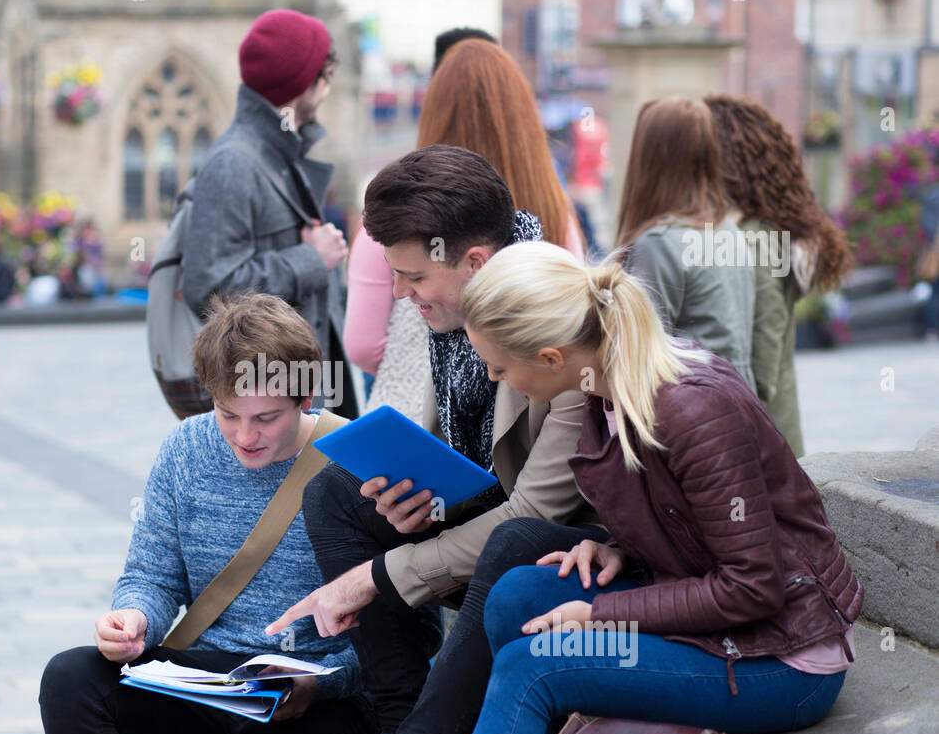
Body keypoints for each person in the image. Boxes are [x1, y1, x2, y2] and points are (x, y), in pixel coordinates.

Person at [435, 240, 862, 734]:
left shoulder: (691, 410)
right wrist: (621, 550)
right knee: (515, 594)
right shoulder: (607, 380)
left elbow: (753, 586)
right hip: (717, 617)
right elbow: (685, 522)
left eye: (501, 367)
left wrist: (597, 616)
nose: (494, 378)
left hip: (782, 659)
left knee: (532, 668)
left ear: (552, 356)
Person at [267, 146, 603, 734]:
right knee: (337, 491)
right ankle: (401, 725)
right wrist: (418, 502)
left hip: (568, 545)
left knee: (509, 544)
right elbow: (468, 461)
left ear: (474, 262)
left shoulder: (557, 319)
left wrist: (379, 574)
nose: (398, 293)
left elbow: (536, 508)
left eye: (412, 275)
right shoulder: (452, 311)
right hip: (497, 511)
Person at [40, 294, 378, 734]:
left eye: (266, 417)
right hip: (217, 685)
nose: (245, 436)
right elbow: (152, 574)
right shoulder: (186, 448)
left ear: (306, 396)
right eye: (228, 413)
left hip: (325, 694)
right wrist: (133, 620)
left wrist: (319, 684)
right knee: (70, 678)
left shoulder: (357, 464)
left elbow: (402, 628)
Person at [344, 39, 585, 421]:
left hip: (403, 418)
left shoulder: (397, 214)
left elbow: (361, 345)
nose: (402, 289)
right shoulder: (556, 208)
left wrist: (410, 359)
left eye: (413, 276)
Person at [180, 8, 358, 419]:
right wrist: (312, 259)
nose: (328, 90)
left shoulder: (275, 151)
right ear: (305, 86)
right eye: (325, 78)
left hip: (297, 387)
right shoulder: (235, 163)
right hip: (266, 404)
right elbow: (209, 286)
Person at [705, 94, 854, 457]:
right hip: (774, 436)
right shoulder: (761, 229)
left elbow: (763, 355)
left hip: (758, 448)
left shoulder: (754, 238)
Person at [615, 96, 756, 390]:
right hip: (734, 408)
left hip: (689, 419)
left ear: (648, 157)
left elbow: (639, 364)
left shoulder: (659, 244)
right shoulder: (727, 229)